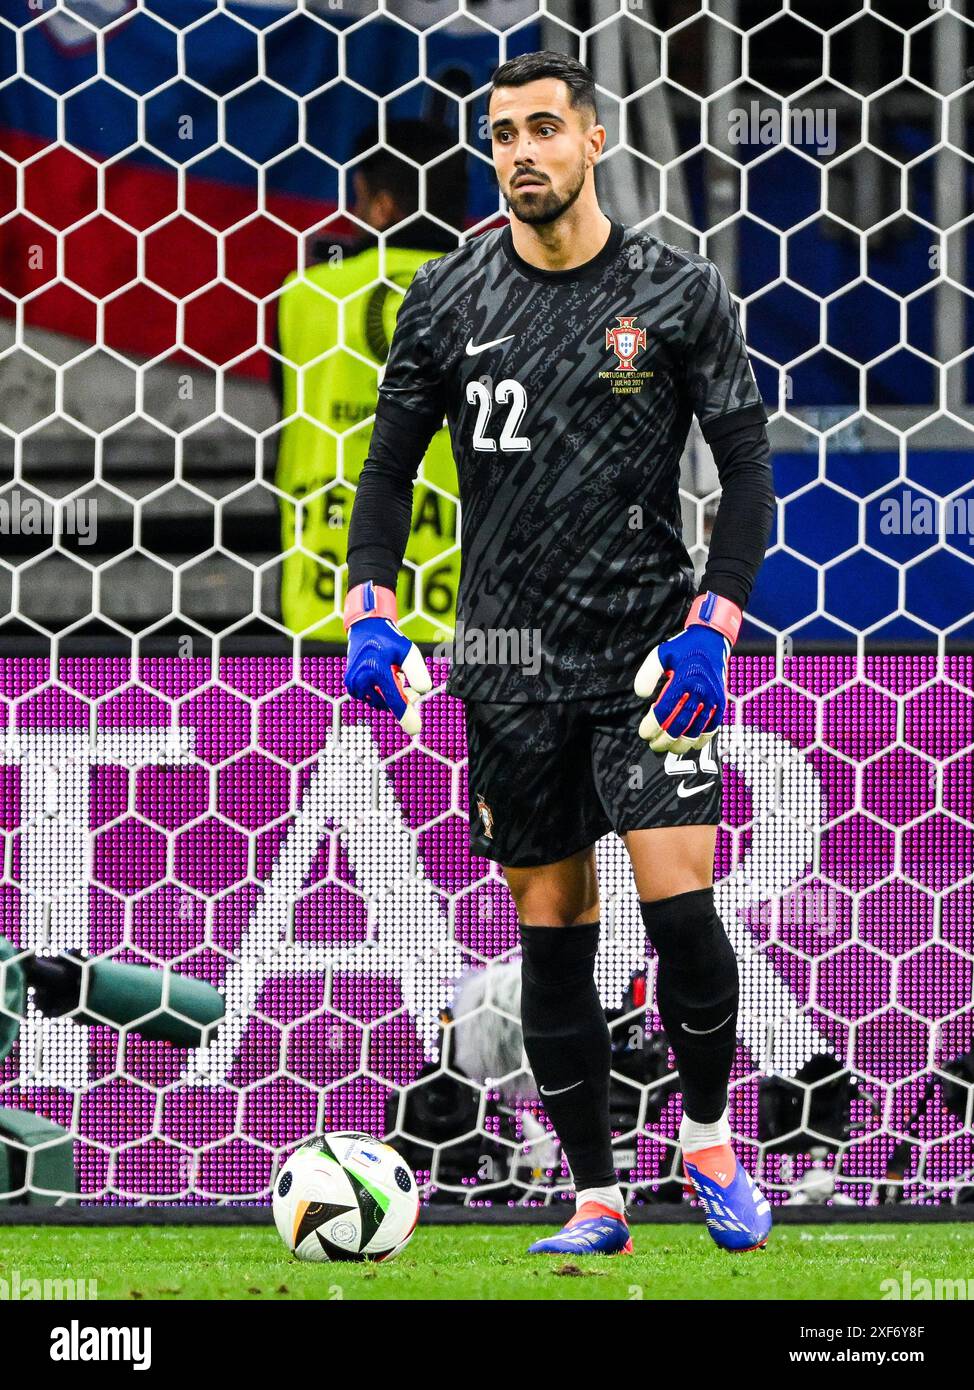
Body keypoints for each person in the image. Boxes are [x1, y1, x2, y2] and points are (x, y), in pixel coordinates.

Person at [342, 51, 776, 1255]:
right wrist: (370, 606)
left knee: (679, 907)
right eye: (501, 135)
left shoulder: (675, 292)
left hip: (647, 658)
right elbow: (384, 473)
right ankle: (594, 1196)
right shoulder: (444, 297)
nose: (520, 152)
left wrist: (714, 621)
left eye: (543, 128)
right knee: (553, 931)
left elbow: (744, 474)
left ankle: (704, 1140)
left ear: (591, 142)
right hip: (504, 656)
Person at [274, 120, 466, 641]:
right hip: (464, 608)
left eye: (359, 201)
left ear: (380, 205)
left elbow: (285, 419)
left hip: (327, 599)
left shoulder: (305, 296)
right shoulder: (496, 297)